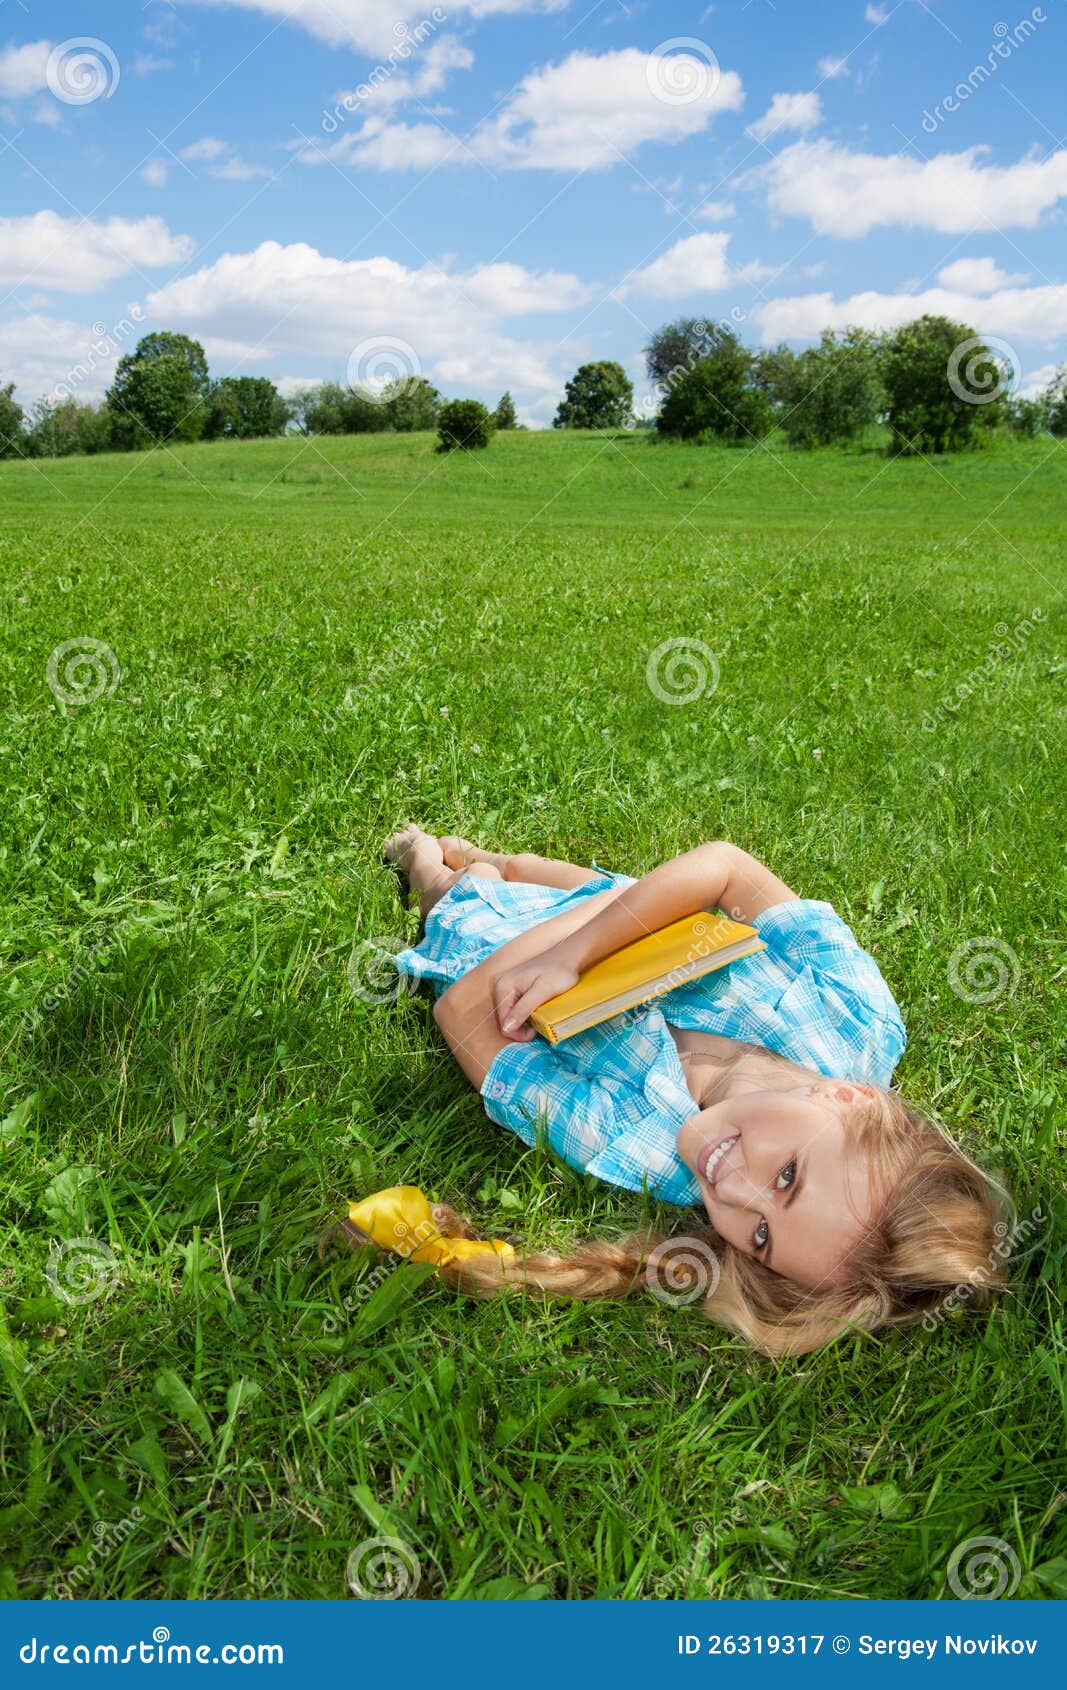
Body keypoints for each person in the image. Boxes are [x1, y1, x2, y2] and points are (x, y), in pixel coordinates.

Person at [371, 825, 1009, 1356]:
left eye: (761, 1236)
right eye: (787, 1177)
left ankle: (425, 856)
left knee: (454, 888)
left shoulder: (641, 1148)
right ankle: (502, 863)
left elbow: (462, 1014)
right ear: (847, 1100)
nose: (730, 1188)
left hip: (496, 942)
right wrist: (586, 944)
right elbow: (728, 865)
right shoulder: (855, 1017)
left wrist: (642, 914)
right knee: (525, 867)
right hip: (603, 903)